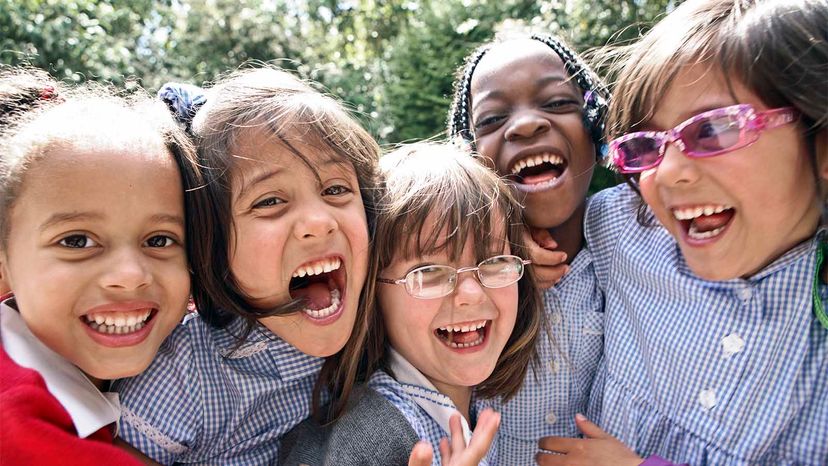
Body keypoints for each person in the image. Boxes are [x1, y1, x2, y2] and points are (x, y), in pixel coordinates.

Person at [538, 0, 828, 465]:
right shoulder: (629, 225)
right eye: (646, 146)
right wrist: (521, 242)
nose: (668, 173)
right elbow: (556, 222)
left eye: (713, 129)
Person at [113, 66, 380, 465]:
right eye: (269, 201)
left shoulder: (386, 314)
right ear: (212, 246)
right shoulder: (185, 377)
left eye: (336, 189)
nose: (319, 221)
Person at [281, 142, 544, 465]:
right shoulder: (364, 436)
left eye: (493, 261)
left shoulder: (491, 405)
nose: (472, 294)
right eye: (430, 272)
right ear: (371, 294)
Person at [0, 67, 200, 464]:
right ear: (3, 262)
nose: (130, 275)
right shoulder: (14, 419)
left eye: (159, 240)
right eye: (77, 241)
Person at [447, 31, 609, 464]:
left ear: (597, 125)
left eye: (557, 103)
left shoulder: (632, 241)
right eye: (492, 119)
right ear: (468, 156)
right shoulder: (454, 274)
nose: (525, 125)